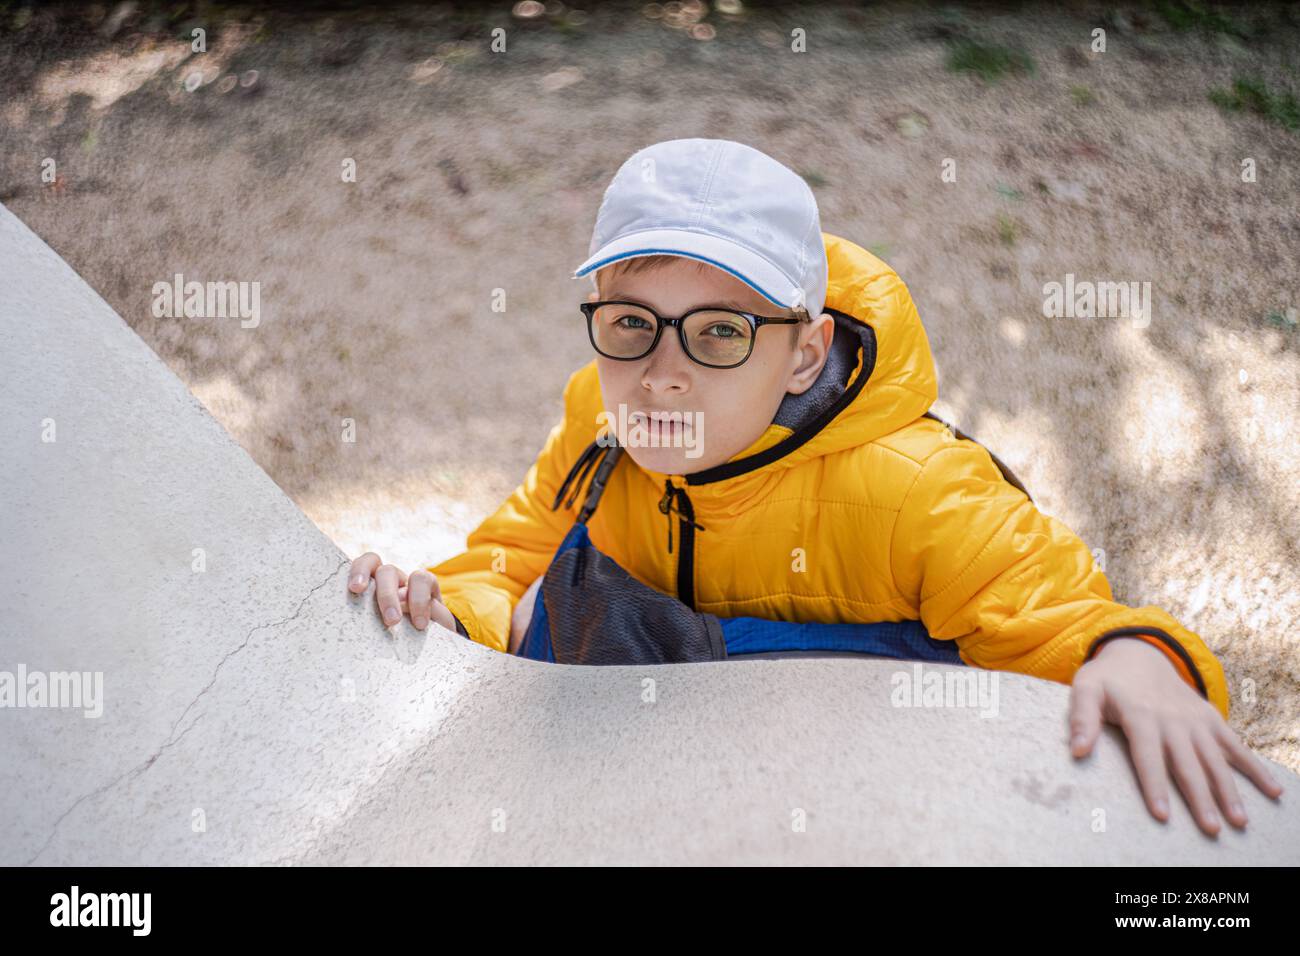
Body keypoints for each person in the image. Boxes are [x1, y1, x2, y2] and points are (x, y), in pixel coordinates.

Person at [347, 137, 1282, 836]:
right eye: (632, 324)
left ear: (805, 351)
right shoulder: (602, 419)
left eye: (718, 334)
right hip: (659, 781)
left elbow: (1061, 617)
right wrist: (450, 610)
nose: (661, 373)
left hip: (871, 805)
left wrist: (1138, 660)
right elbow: (510, 558)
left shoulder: (917, 492)